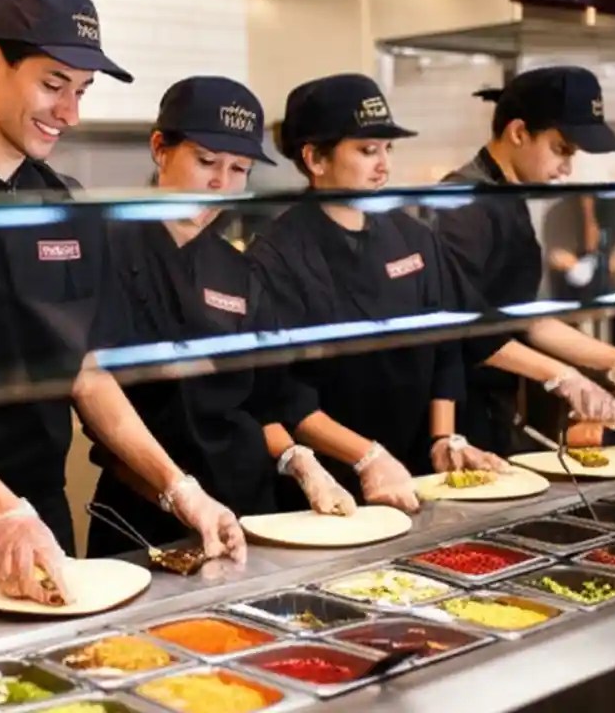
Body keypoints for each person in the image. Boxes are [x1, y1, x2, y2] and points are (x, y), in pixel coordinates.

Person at [0, 0, 246, 604]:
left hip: (43, 510)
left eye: (83, 90)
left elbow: (88, 377)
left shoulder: (67, 205)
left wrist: (180, 489)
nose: (69, 112)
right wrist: (1, 514)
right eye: (54, 85)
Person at [86, 76, 470, 555]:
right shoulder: (104, 251)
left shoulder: (234, 269)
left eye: (239, 168)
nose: (220, 184)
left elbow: (267, 400)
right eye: (206, 162)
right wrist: (179, 492)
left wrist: (298, 460)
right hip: (149, 514)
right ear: (160, 149)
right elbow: (94, 393)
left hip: (247, 510)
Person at [248, 74, 513, 487]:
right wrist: (366, 456)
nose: (384, 165)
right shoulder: (277, 255)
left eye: (388, 149)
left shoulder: (413, 236)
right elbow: (285, 395)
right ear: (316, 159)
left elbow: (443, 342)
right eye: (368, 150)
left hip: (416, 467)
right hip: (328, 479)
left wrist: (445, 437)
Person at [436, 66, 615, 453]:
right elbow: (466, 331)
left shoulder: (511, 199)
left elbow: (526, 319)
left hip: (494, 408)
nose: (567, 169)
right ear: (518, 133)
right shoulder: (463, 205)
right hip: (454, 416)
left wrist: (613, 360)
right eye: (561, 150)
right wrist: (562, 376)